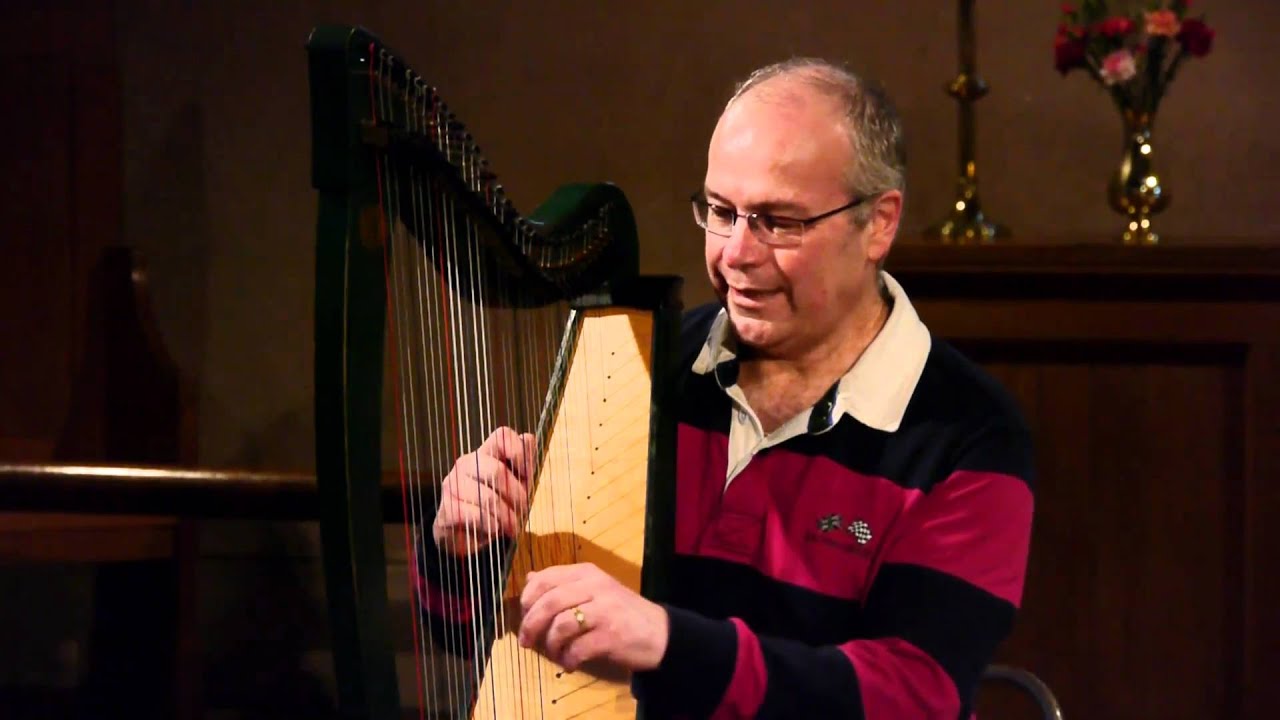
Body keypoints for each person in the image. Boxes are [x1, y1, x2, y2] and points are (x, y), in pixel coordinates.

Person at [423, 57, 1035, 719]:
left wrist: (666, 641)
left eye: (779, 221)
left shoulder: (969, 432)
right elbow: (496, 637)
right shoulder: (642, 365)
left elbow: (913, 697)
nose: (737, 253)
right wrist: (466, 551)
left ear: (879, 223)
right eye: (721, 211)